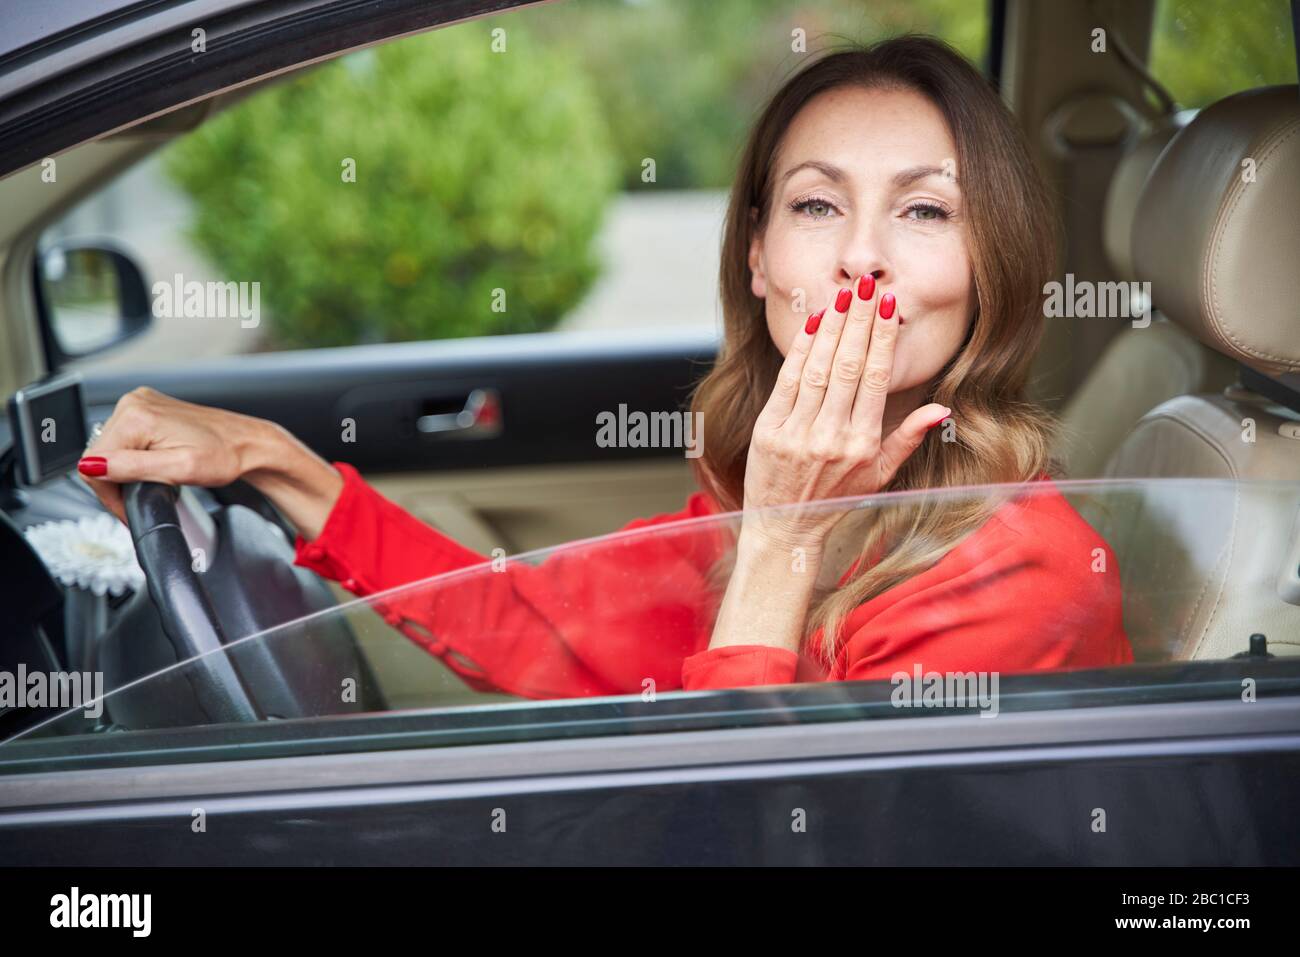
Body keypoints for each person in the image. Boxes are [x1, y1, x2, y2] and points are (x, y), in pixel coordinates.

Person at [77, 35, 1134, 700]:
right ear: (759, 257)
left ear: (991, 265)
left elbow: (768, 833)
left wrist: (780, 541)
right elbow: (531, 623)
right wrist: (272, 461)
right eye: (818, 203)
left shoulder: (1018, 573)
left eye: (924, 210)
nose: (861, 256)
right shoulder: (768, 496)